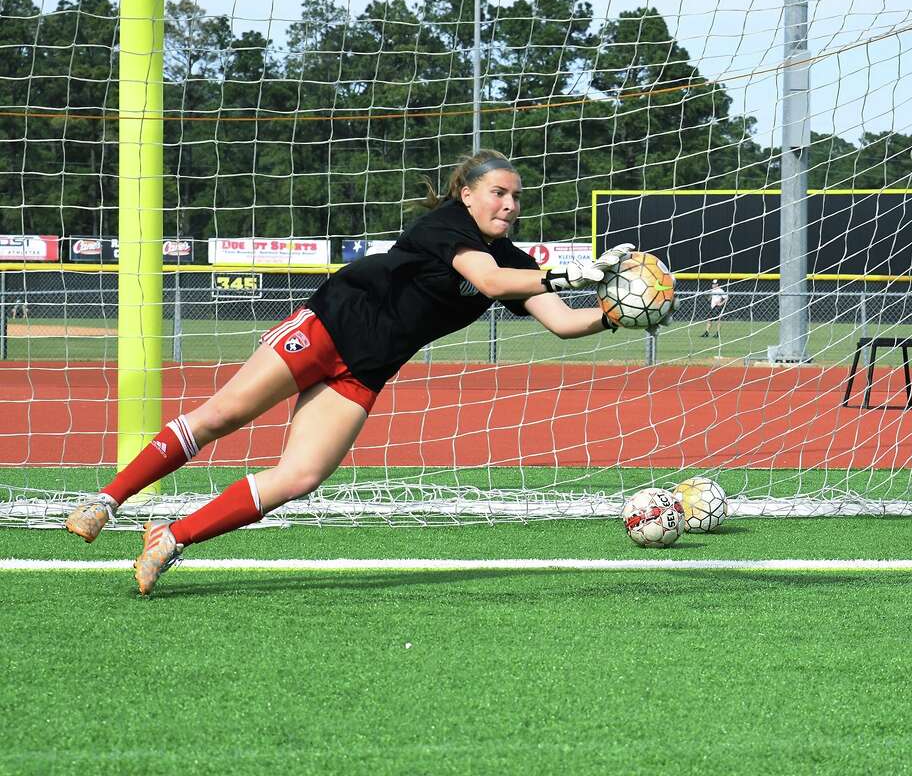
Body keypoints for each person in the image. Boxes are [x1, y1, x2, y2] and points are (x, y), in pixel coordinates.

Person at [65, 149, 635, 595]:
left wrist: (618, 314)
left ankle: (172, 536)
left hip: (365, 369)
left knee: (300, 476)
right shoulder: (446, 228)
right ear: (467, 195)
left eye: (516, 196)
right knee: (223, 415)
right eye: (498, 192)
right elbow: (486, 282)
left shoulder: (513, 258)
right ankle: (106, 501)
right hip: (331, 326)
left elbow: (560, 322)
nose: (509, 205)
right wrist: (571, 274)